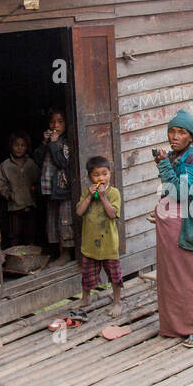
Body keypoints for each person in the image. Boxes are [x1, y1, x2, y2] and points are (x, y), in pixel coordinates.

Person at [153, 108, 193, 346]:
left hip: (189, 227)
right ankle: (175, 326)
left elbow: (182, 192)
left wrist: (163, 166)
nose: (174, 136)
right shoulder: (174, 156)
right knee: (171, 277)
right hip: (172, 229)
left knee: (192, 277)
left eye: (181, 132)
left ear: (191, 137)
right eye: (171, 131)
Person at [70, 155, 124, 320]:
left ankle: (117, 302)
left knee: (114, 276)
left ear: (110, 174)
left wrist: (102, 197)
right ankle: (85, 298)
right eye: (96, 175)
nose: (101, 178)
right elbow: (79, 212)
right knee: (87, 275)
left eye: (104, 173)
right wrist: (89, 196)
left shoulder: (113, 193)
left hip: (108, 245)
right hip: (90, 245)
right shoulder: (87, 192)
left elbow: (113, 214)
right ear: (89, 177)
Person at [33, 110, 76, 263]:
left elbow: (62, 162)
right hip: (49, 189)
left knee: (64, 220)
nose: (55, 125)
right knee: (53, 221)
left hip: (62, 188)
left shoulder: (65, 142)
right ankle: (58, 252)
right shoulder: (50, 141)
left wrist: (54, 143)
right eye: (52, 122)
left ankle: (66, 254)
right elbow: (37, 159)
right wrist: (45, 143)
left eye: (60, 122)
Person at [0, 131, 39, 247]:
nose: (19, 148)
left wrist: (36, 189)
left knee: (30, 233)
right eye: (16, 145)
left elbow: (38, 179)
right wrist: (9, 195)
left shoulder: (31, 164)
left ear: (27, 147)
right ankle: (16, 258)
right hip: (14, 207)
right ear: (11, 146)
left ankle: (31, 257)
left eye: (22, 145)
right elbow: (1, 183)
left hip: (30, 204)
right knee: (14, 234)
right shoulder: (5, 165)